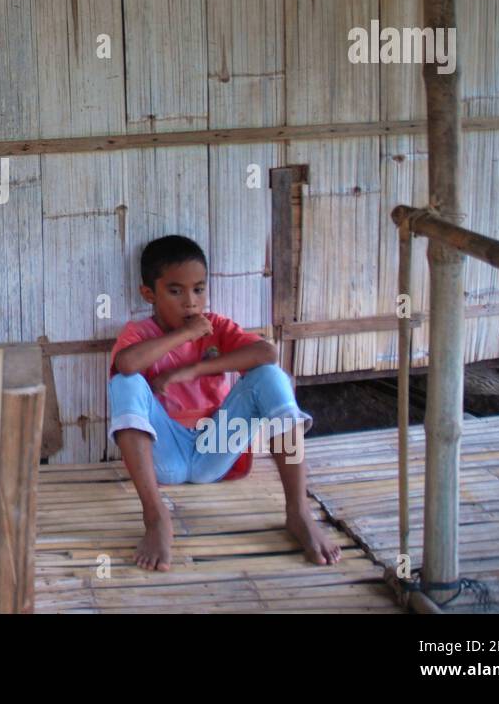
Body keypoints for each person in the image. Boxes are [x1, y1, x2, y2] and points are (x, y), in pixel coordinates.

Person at [109, 235, 342, 570]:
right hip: (167, 455)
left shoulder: (217, 327)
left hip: (214, 448)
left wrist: (193, 369)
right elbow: (128, 364)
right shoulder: (141, 332)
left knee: (272, 376)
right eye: (175, 291)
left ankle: (298, 511)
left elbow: (266, 352)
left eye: (199, 289)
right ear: (149, 294)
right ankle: (156, 516)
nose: (191, 302)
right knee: (124, 381)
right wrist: (186, 335)